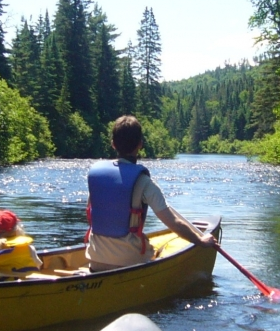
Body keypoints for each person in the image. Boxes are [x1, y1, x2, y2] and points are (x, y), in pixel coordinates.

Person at [85, 115, 215, 272]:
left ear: (113, 144)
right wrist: (201, 240)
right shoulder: (144, 182)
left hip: (95, 259)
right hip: (130, 262)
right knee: (157, 251)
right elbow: (173, 222)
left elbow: (92, 213)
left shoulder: (97, 177)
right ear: (140, 144)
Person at [0, 209, 43, 277]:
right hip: (33, 284)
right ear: (16, 229)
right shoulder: (29, 248)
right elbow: (38, 265)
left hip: (6, 286)